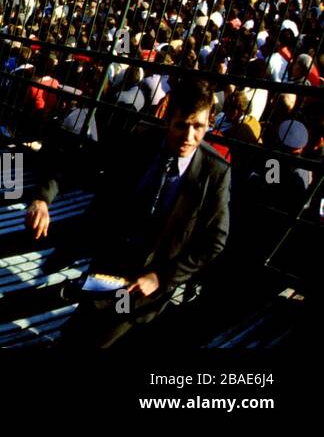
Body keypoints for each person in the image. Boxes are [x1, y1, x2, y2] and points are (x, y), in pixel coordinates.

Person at [26, 79, 231, 348]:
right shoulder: (139, 142)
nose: (189, 137)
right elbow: (81, 163)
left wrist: (162, 276)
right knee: (78, 331)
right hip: (108, 264)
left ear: (209, 123)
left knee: (100, 338)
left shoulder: (214, 172)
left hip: (144, 285)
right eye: (182, 125)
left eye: (199, 127)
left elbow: (215, 239)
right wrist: (43, 198)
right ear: (169, 117)